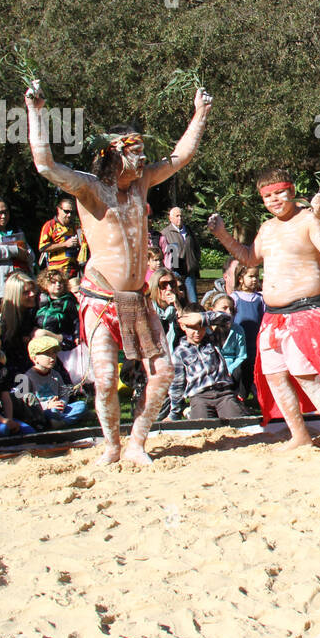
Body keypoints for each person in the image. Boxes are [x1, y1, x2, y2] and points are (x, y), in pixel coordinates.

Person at [28, 83, 211, 465]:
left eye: (144, 152)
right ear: (112, 156)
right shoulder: (91, 189)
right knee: (107, 380)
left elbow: (180, 157)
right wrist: (37, 111)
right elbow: (45, 166)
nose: (142, 159)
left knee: (163, 373)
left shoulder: (142, 184)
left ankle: (136, 443)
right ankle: (112, 445)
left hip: (139, 300)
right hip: (101, 301)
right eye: (134, 152)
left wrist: (201, 112)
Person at [208, 171, 320, 450]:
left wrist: (318, 218)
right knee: (275, 374)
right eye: (267, 196)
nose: (273, 200)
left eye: (278, 193)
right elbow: (249, 257)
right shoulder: (266, 228)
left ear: (290, 190)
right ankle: (299, 434)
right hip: (273, 315)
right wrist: (222, 235)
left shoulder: (306, 220)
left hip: (307, 311)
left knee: (305, 373)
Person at [167, 303, 247, 421]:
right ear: (183, 326)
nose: (197, 332)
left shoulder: (213, 340)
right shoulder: (179, 353)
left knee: (237, 422)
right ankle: (190, 413)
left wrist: (203, 318)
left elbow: (226, 319)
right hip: (199, 396)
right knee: (201, 425)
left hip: (223, 393)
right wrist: (174, 412)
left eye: (201, 327)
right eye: (192, 328)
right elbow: (177, 384)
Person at [16, 335, 87, 427]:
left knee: (81, 405)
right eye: (47, 354)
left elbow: (63, 393)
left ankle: (61, 422)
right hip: (43, 410)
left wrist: (62, 403)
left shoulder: (55, 374)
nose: (52, 357)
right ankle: (65, 419)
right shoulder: (27, 377)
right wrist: (47, 405)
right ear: (34, 358)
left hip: (59, 408)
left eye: (54, 353)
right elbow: (26, 403)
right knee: (52, 412)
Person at [231, 265, 264, 402]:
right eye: (250, 276)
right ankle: (239, 392)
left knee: (254, 364)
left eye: (256, 276)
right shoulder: (235, 297)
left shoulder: (260, 298)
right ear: (240, 279)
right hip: (240, 341)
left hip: (255, 339)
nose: (254, 280)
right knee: (242, 366)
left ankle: (256, 389)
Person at [160, 206, 202, 303]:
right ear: (170, 218)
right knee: (177, 299)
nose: (180, 218)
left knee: (193, 300)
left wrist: (195, 260)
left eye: (181, 216)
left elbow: (196, 247)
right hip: (175, 271)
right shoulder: (165, 233)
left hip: (189, 270)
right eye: (177, 216)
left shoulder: (189, 231)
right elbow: (164, 253)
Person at [38, 198, 87, 276]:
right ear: (58, 210)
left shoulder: (76, 227)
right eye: (66, 211)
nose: (69, 215)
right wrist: (65, 244)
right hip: (57, 271)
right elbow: (42, 247)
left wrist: (80, 243)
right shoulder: (50, 225)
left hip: (74, 269)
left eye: (72, 212)